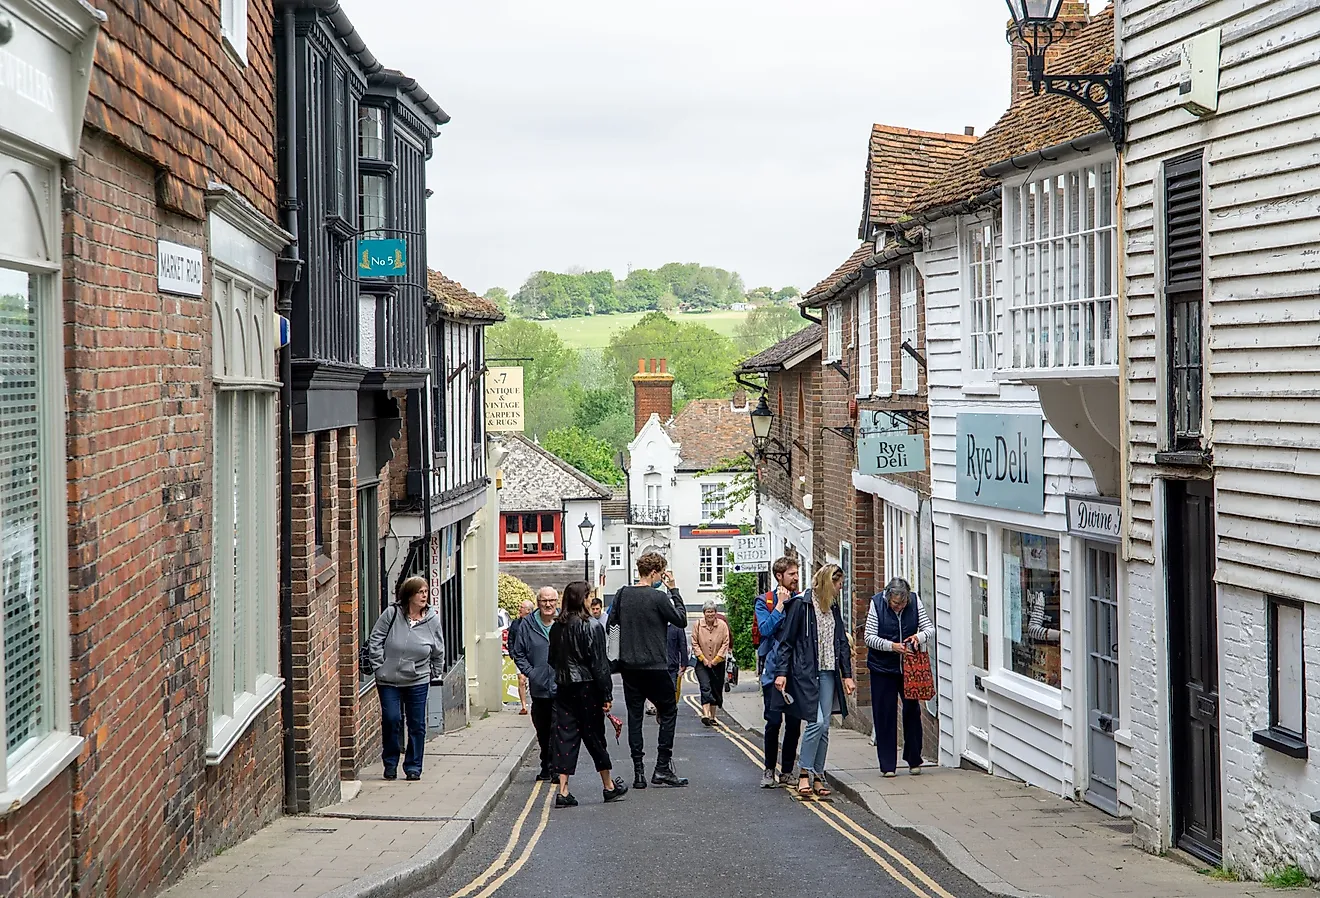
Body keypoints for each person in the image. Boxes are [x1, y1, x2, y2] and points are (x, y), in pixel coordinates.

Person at [774, 564, 855, 798]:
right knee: (816, 722)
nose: (841, 589)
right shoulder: (802, 605)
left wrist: (847, 675)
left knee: (825, 726)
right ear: (829, 583)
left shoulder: (833, 607)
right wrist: (781, 673)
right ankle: (803, 772)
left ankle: (818, 776)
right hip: (806, 673)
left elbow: (841, 641)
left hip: (829, 672)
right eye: (839, 584)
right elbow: (787, 642)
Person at [548, 581, 628, 808]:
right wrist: (606, 694)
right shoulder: (592, 626)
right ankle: (608, 786)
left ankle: (563, 791)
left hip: (564, 687)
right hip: (587, 688)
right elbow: (600, 665)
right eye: (588, 596)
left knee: (564, 736)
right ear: (581, 599)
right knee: (594, 736)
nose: (590, 599)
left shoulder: (557, 627)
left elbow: (552, 660)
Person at [612, 552, 689, 789]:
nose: (661, 578)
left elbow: (612, 626)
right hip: (655, 666)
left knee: (635, 717)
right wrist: (674, 590)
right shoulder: (658, 597)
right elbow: (681, 620)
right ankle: (662, 767)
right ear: (655, 573)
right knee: (669, 711)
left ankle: (639, 774)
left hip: (630, 667)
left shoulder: (622, 594)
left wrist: (616, 656)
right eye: (661, 574)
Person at [367, 576, 445, 781]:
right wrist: (379, 665)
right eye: (420, 592)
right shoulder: (391, 613)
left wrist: (435, 671)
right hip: (388, 679)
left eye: (426, 592)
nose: (424, 596)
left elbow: (438, 649)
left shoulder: (432, 620)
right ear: (409, 595)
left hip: (418, 679)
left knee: (417, 724)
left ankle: (413, 767)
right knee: (392, 719)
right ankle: (390, 763)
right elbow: (376, 638)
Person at [865, 576, 935, 777]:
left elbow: (930, 629)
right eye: (895, 603)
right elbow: (869, 637)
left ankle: (914, 759)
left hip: (909, 668)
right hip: (882, 668)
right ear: (888, 597)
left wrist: (918, 637)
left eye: (902, 603)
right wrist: (891, 646)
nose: (899, 607)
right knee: (885, 715)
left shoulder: (914, 601)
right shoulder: (876, 603)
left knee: (912, 712)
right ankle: (888, 765)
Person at [756, 556, 802, 788]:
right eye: (792, 574)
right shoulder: (764, 601)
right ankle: (768, 770)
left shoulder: (801, 600)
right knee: (773, 723)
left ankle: (787, 771)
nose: (796, 578)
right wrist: (781, 605)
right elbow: (765, 630)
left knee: (794, 725)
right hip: (773, 672)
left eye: (796, 573)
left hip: (796, 673)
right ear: (779, 576)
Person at [511, 587, 559, 781]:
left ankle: (555, 768)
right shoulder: (527, 624)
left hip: (560, 685)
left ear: (557, 602)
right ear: (538, 602)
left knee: (558, 728)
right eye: (544, 601)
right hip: (539, 687)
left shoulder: (563, 622)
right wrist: (531, 673)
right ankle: (546, 763)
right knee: (543, 729)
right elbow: (518, 653)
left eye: (551, 600)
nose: (548, 604)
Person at [692, 600, 730, 726]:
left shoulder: (722, 625)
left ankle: (712, 717)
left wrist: (716, 660)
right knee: (705, 687)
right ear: (704, 613)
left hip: (718, 663)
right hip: (701, 663)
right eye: (708, 612)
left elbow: (725, 643)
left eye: (712, 611)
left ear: (716, 612)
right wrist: (703, 658)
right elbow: (694, 643)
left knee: (716, 688)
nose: (710, 614)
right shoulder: (697, 625)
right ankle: (706, 715)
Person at [509, 599, 534, 714]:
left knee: (534, 680)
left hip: (532, 656)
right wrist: (512, 653)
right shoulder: (515, 623)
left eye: (522, 607)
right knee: (521, 680)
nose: (519, 609)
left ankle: (534, 703)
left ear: (528, 610)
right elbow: (511, 638)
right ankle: (523, 706)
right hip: (520, 656)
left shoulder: (535, 623)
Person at [667, 622, 690, 706]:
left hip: (672, 666)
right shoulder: (656, 625)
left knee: (671, 691)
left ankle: (669, 710)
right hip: (658, 667)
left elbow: (683, 645)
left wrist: (684, 664)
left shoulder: (677, 627)